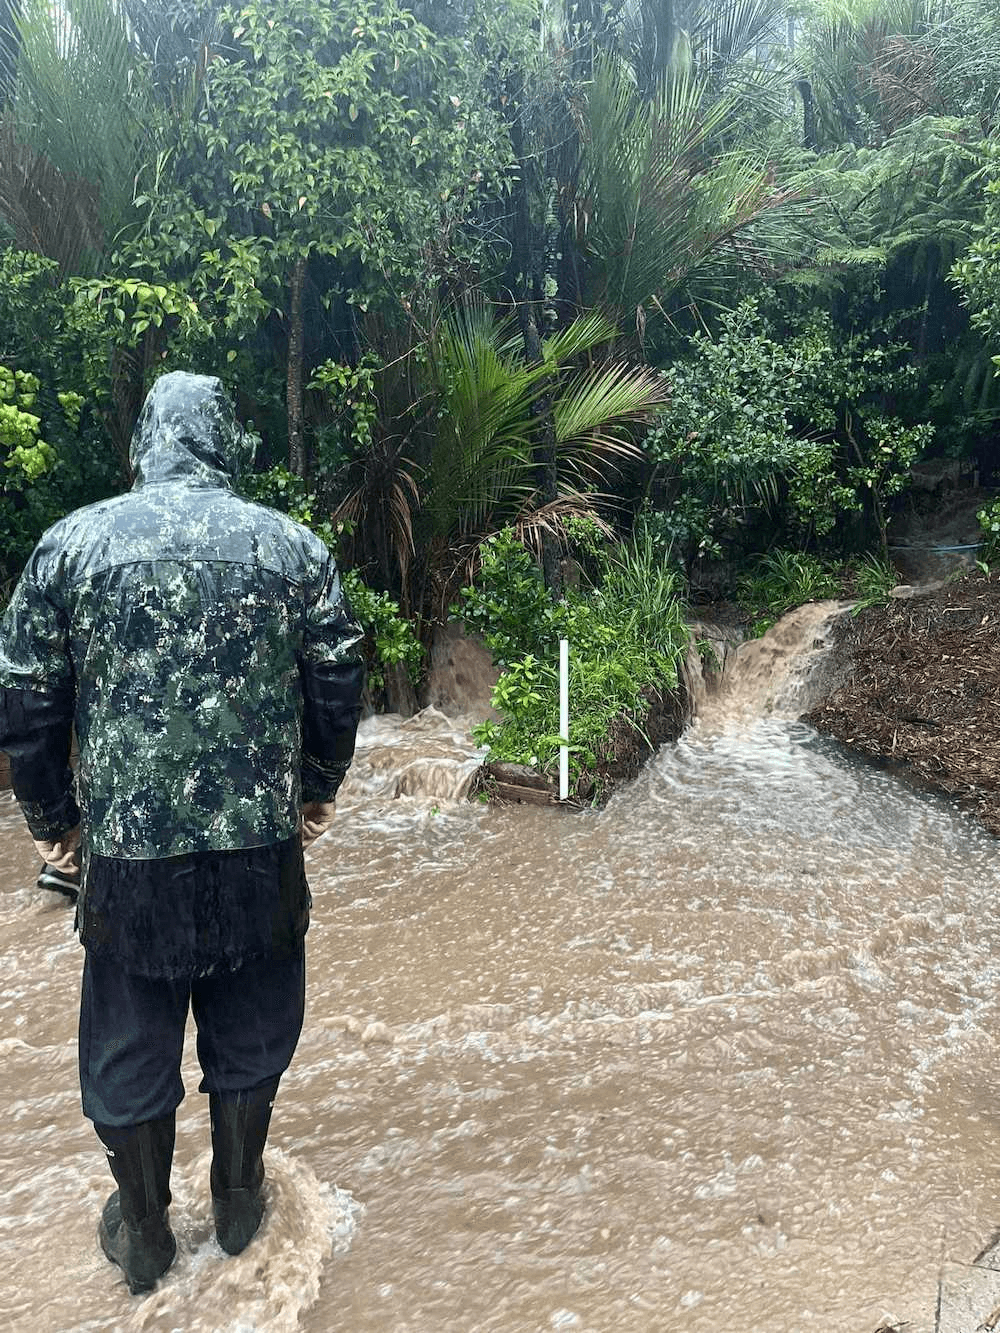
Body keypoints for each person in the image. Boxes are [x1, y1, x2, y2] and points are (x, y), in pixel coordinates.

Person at [0, 372, 365, 1294]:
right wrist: (316, 790)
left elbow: (25, 700)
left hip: (129, 862)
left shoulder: (70, 547)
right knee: (252, 1030)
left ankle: (147, 1231)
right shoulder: (291, 548)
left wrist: (55, 826)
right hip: (258, 854)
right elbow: (338, 676)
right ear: (226, 442)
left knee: (128, 1046)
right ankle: (239, 1202)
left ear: (145, 442)